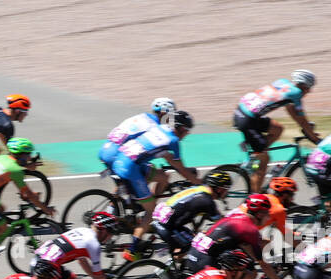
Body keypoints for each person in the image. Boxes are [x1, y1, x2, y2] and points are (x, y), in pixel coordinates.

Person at [112, 110, 202, 251]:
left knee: (163, 176)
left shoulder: (160, 128)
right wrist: (199, 183)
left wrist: (181, 168)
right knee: (152, 211)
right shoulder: (173, 141)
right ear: (180, 128)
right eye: (187, 130)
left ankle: (140, 201)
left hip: (121, 160)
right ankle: (133, 249)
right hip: (131, 168)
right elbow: (182, 170)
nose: (187, 133)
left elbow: (166, 156)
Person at [234, 70, 322, 192]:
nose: (309, 91)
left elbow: (292, 111)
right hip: (249, 121)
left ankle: (255, 151)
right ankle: (254, 197)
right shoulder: (297, 93)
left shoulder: (283, 82)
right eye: (309, 88)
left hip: (242, 112)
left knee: (278, 129)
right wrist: (315, 138)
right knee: (264, 161)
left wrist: (306, 129)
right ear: (303, 85)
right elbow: (301, 119)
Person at [183, 196, 284, 279]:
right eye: (267, 214)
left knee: (244, 267)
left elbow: (251, 244)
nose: (269, 217)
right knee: (250, 277)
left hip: (194, 254)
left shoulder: (237, 215)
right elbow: (263, 265)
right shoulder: (250, 229)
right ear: (260, 214)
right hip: (204, 261)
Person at [33, 211, 125, 279]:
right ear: (105, 230)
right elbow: (99, 276)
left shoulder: (82, 230)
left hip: (43, 260)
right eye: (111, 233)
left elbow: (82, 260)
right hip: (46, 269)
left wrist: (95, 277)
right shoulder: (94, 244)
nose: (111, 237)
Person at [151, 170, 233, 256]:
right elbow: (221, 223)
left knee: (192, 237)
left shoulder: (199, 188)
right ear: (219, 189)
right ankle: (172, 264)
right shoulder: (207, 202)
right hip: (168, 227)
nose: (226, 193)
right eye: (225, 189)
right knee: (196, 247)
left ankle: (174, 257)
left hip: (161, 216)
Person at [99, 97, 178, 172]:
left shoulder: (143, 116)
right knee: (159, 176)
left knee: (126, 184)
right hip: (116, 155)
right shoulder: (155, 127)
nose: (173, 118)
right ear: (164, 113)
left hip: (105, 150)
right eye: (172, 114)